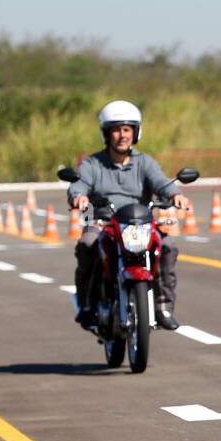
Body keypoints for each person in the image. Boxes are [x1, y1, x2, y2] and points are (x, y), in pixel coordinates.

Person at [67, 100, 187, 331]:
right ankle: (86, 306)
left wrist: (175, 194)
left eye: (126, 129)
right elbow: (79, 184)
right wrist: (79, 196)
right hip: (104, 223)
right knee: (86, 244)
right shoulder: (93, 164)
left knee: (168, 247)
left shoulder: (145, 162)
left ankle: (162, 307)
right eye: (115, 130)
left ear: (135, 132)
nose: (121, 135)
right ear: (106, 133)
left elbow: (162, 182)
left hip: (141, 225)